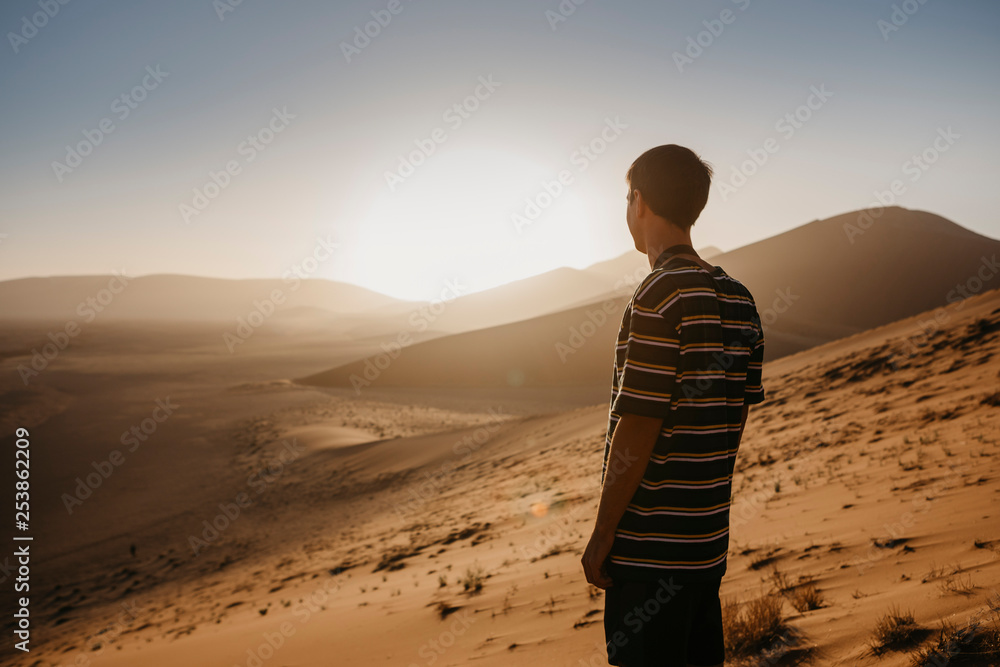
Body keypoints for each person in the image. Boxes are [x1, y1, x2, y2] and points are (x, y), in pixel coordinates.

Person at [581, 145, 766, 667]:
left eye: (626, 197)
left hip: (647, 556)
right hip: (705, 548)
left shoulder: (656, 296)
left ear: (638, 202)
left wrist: (602, 535)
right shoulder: (740, 298)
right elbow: (735, 420)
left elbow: (639, 425)